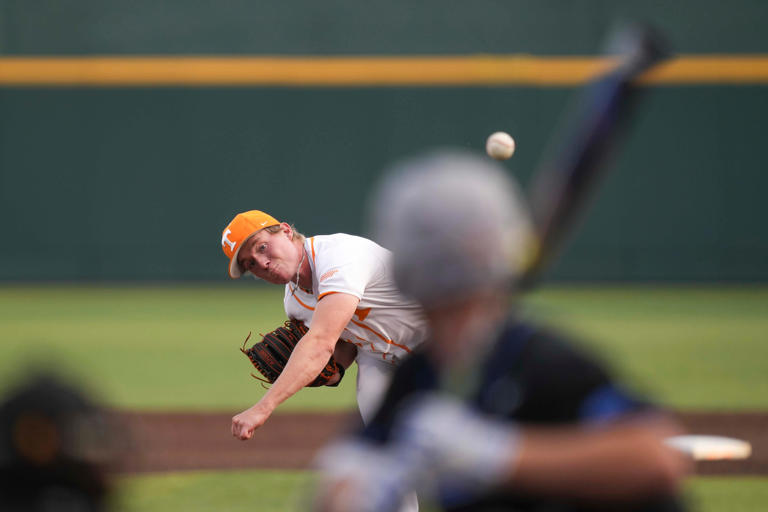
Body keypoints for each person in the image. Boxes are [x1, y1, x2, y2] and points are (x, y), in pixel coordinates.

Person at [312, 150, 690, 512]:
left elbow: (657, 456)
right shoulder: (419, 377)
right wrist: (354, 490)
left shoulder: (539, 359)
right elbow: (346, 481)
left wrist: (497, 455)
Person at [221, 210, 429, 437]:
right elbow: (344, 342)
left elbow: (321, 342)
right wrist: (333, 369)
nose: (262, 263)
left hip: (443, 341)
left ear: (286, 232)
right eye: (250, 263)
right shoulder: (293, 303)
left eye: (261, 247)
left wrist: (262, 408)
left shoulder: (338, 257)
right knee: (384, 435)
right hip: (384, 360)